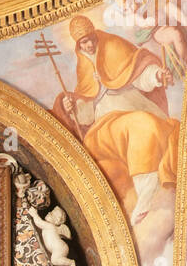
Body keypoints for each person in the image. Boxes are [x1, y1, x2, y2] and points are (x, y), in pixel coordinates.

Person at [53, 14, 179, 225]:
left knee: (169, 128)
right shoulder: (83, 67)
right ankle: (146, 192)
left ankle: (163, 186)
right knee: (143, 126)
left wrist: (157, 75)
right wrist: (72, 107)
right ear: (78, 46)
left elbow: (139, 71)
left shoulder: (113, 47)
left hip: (135, 105)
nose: (90, 44)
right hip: (107, 122)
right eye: (84, 42)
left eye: (91, 38)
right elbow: (86, 114)